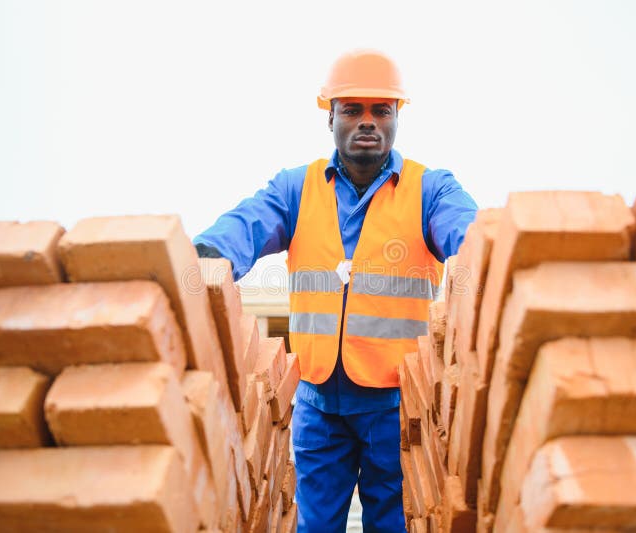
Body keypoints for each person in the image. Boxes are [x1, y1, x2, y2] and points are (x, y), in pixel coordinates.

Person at [194, 49, 477, 532]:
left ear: (396, 118)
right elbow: (245, 226)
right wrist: (202, 261)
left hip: (392, 407)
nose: (367, 122)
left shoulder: (431, 190)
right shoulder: (296, 189)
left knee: (391, 523)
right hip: (319, 403)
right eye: (352, 110)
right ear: (331, 118)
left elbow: (469, 238)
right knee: (317, 524)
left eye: (380, 111)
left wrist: (486, 264)